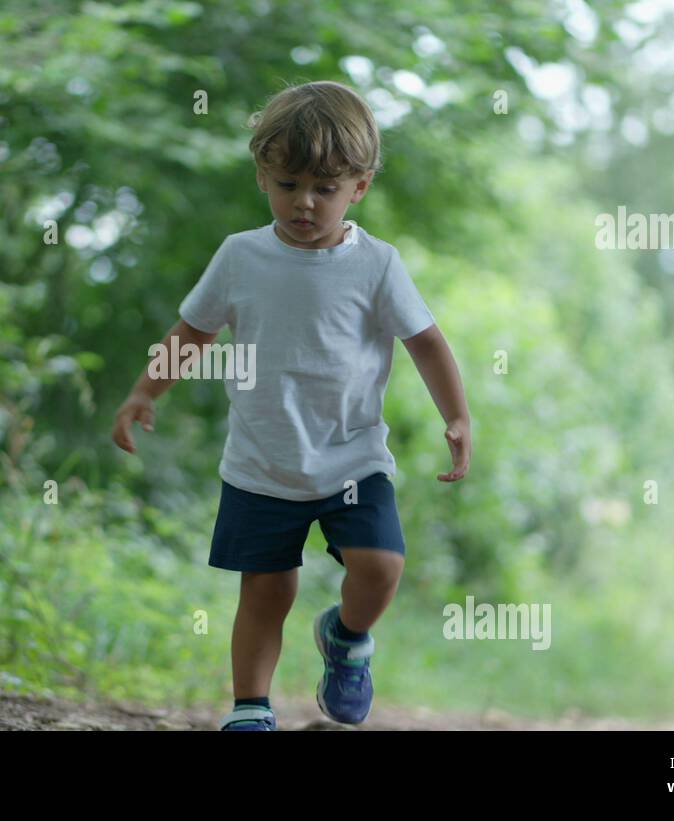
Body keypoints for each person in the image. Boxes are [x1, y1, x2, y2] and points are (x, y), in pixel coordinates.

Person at [111, 80, 471, 731]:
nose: (304, 202)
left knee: (382, 564)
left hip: (353, 459)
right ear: (263, 177)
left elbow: (426, 342)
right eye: (288, 184)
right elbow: (193, 331)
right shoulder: (241, 256)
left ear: (358, 186)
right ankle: (250, 707)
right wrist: (145, 390)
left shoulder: (377, 266)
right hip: (262, 461)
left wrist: (457, 415)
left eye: (324, 188)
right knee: (267, 589)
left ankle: (346, 636)